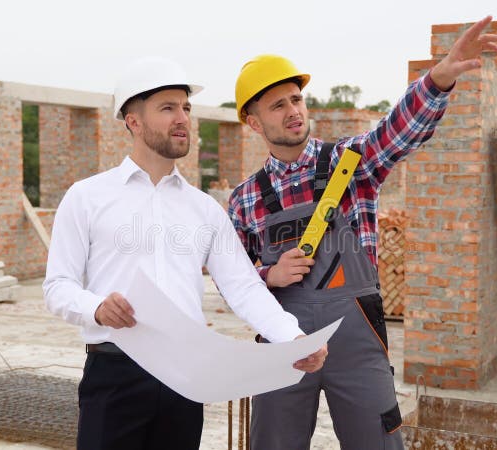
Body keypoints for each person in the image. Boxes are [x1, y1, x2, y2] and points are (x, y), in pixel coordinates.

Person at [228, 16, 497, 450]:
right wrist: (269, 275)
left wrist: (438, 80)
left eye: (296, 99)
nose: (293, 111)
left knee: (378, 441)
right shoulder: (245, 198)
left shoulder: (351, 163)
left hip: (357, 339)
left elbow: (397, 131)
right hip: (283, 344)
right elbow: (233, 279)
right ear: (254, 123)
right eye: (278, 105)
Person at [43, 56, 328, 450]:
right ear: (133, 121)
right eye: (167, 108)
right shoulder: (87, 197)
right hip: (115, 374)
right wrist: (96, 308)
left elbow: (243, 287)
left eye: (186, 108)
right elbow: (57, 286)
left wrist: (292, 337)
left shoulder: (204, 208)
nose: (182, 118)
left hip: (184, 378)